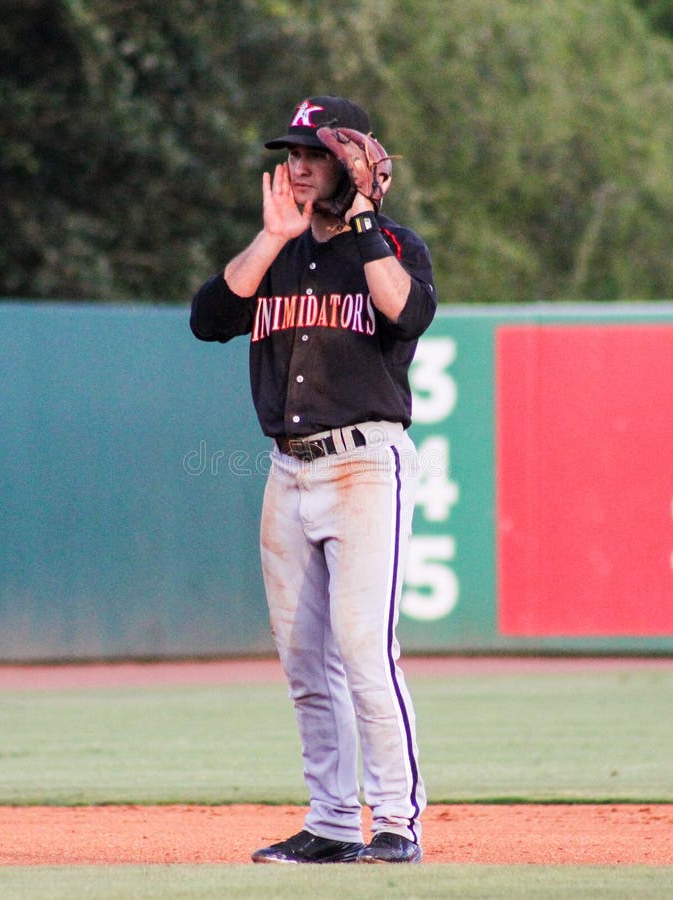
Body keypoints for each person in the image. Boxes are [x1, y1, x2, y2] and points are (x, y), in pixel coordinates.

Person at [190, 95, 437, 864]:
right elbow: (208, 317)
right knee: (304, 664)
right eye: (288, 153)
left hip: (366, 463)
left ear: (354, 160)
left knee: (364, 649)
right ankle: (331, 822)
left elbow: (408, 315)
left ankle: (396, 820)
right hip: (287, 471)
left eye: (312, 152)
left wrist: (363, 223)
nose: (294, 166)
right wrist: (269, 239)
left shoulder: (393, 244)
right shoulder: (278, 252)